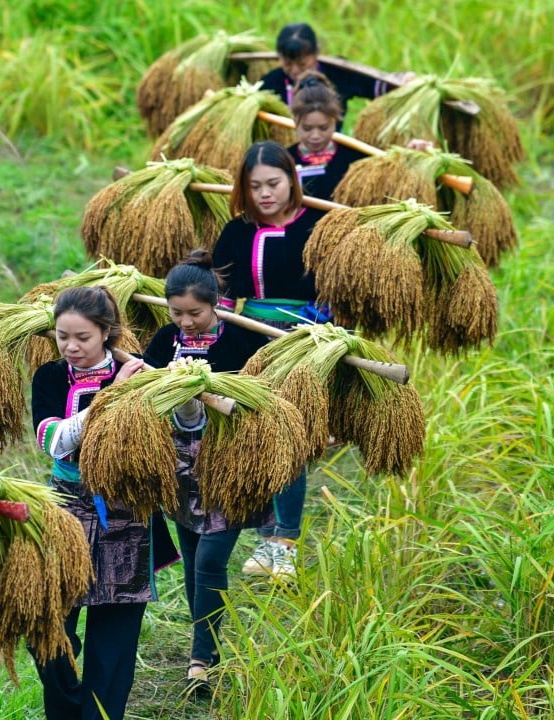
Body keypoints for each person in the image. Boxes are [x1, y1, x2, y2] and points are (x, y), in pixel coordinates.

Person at [29, 286, 176, 720]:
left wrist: (176, 384)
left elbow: (179, 432)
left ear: (107, 333)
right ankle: (68, 707)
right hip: (65, 508)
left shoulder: (142, 377)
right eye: (62, 337)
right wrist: (110, 398)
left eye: (83, 338)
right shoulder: (50, 377)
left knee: (113, 640)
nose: (71, 347)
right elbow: (52, 441)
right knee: (46, 628)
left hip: (124, 515)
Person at [142, 251, 270, 688]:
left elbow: (264, 401)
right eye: (176, 312)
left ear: (216, 304)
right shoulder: (163, 342)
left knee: (213, 559)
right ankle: (208, 652)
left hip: (230, 466)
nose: (185, 322)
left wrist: (215, 396)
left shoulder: (243, 340)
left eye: (194, 313)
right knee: (195, 559)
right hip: (180, 469)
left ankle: (200, 658)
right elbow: (144, 395)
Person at [211, 141, 323, 578]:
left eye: (273, 183)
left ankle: (285, 543)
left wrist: (320, 330)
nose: (264, 194)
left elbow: (332, 290)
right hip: (248, 337)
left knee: (288, 436)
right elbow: (220, 294)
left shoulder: (316, 224)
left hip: (302, 340)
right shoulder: (237, 231)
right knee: (251, 434)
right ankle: (263, 539)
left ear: (292, 180)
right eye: (254, 186)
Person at [258, 22, 412, 118]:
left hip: (335, 151)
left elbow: (374, 84)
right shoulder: (271, 83)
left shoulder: (338, 73)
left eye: (302, 64)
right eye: (287, 64)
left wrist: (402, 81)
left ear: (316, 54)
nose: (295, 70)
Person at [286, 72, 368, 201]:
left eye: (323, 128)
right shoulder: (285, 161)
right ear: (295, 123)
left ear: (335, 121)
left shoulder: (356, 157)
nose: (315, 136)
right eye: (307, 128)